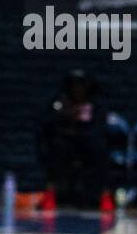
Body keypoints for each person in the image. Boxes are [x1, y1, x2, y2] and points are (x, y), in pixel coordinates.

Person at [38, 69, 110, 213]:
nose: (78, 89)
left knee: (101, 151)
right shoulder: (59, 101)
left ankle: (104, 196)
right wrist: (64, 116)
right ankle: (51, 194)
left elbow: (100, 128)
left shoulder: (96, 104)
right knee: (53, 148)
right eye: (74, 85)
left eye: (81, 85)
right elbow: (47, 125)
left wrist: (83, 133)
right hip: (65, 142)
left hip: (88, 142)